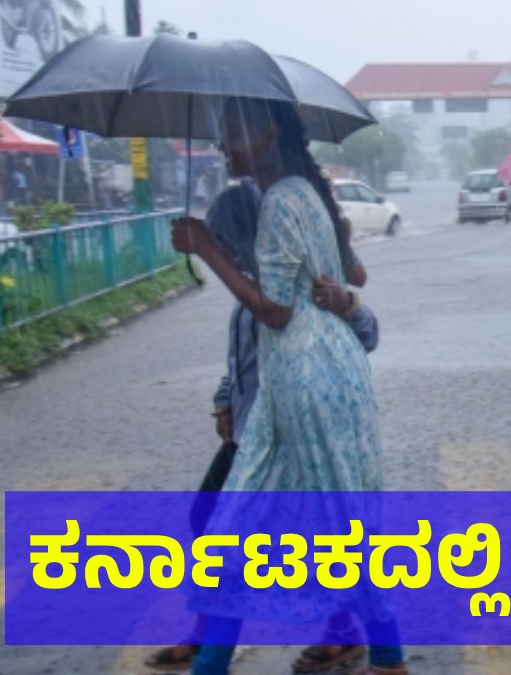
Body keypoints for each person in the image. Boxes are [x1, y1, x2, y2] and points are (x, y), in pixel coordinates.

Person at [170, 97, 406, 675]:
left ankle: (385, 654)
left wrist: (205, 250)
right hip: (314, 376)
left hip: (305, 379)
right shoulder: (303, 193)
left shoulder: (281, 200)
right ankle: (386, 655)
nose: (222, 144)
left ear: (270, 130)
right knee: (322, 522)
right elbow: (333, 286)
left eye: (232, 132)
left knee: (266, 526)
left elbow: (274, 310)